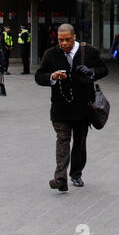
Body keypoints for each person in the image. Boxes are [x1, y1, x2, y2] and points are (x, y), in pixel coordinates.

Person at [34, 23, 108, 191]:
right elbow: (39, 76)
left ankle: (76, 174)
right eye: (61, 40)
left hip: (83, 108)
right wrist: (52, 77)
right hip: (60, 108)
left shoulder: (88, 52)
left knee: (79, 142)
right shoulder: (51, 54)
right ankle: (60, 178)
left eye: (67, 40)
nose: (64, 43)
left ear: (74, 37)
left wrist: (91, 72)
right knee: (63, 140)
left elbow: (104, 69)